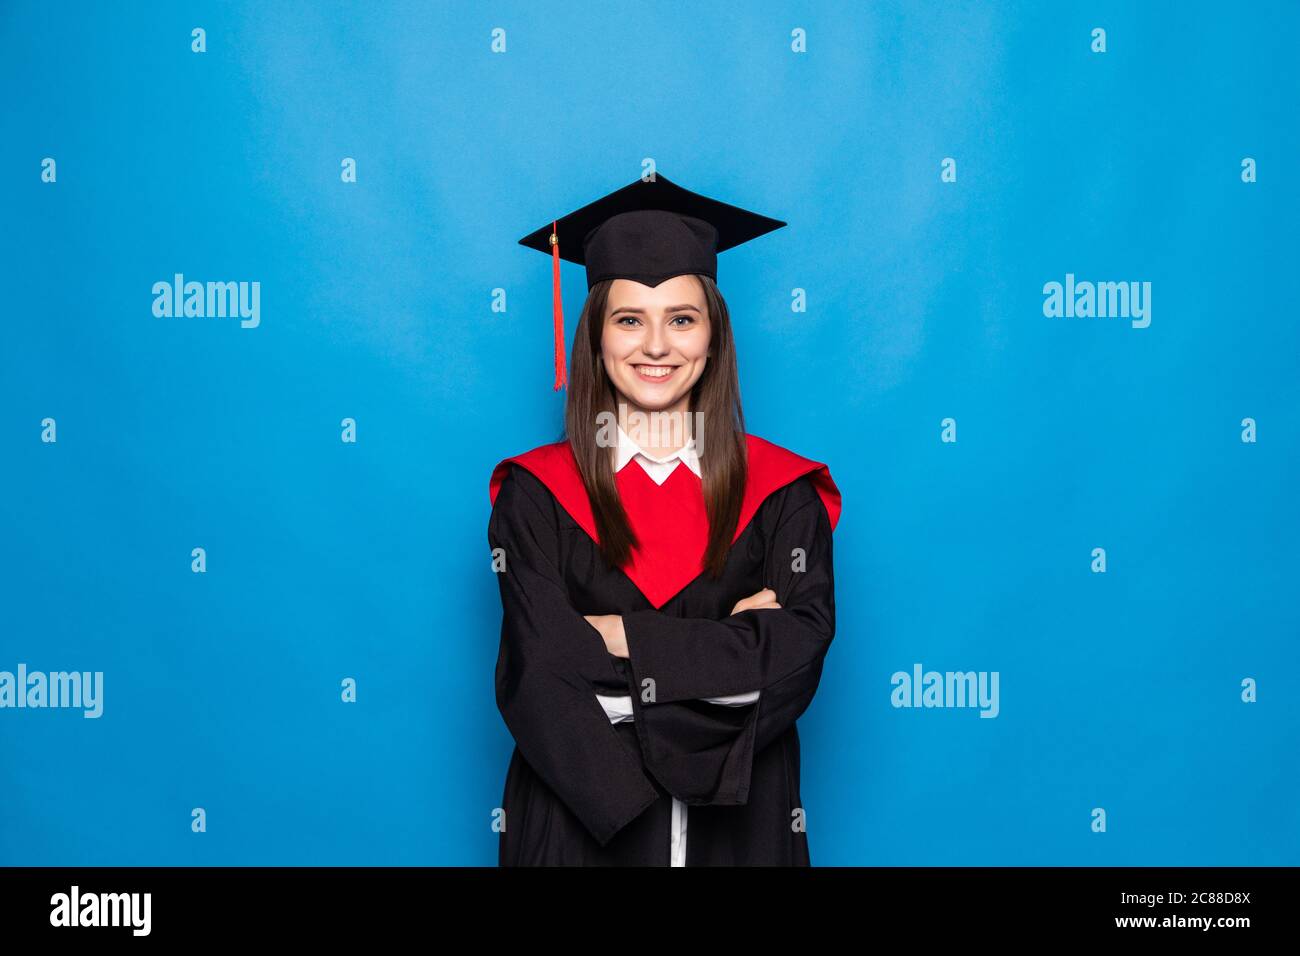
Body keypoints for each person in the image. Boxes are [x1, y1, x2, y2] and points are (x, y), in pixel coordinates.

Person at [488, 173, 842, 865]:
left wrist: (621, 639)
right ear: (594, 337)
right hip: (578, 831)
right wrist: (729, 650)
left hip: (742, 835)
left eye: (682, 319)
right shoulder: (535, 494)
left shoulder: (782, 492)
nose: (656, 345)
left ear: (713, 337)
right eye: (629, 320)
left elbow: (795, 660)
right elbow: (539, 677)